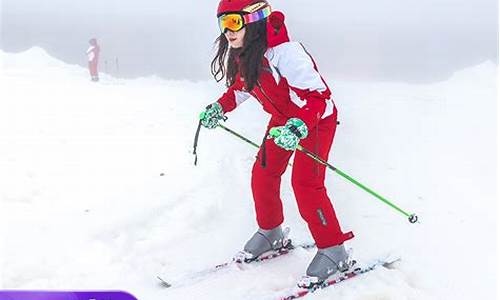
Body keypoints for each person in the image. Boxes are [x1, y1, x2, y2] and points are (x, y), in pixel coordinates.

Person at [199, 0, 354, 287]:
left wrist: (299, 125)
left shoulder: (287, 54)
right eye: (223, 24)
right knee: (263, 174)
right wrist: (220, 107)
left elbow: (320, 97)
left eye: (234, 22)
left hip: (315, 120)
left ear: (255, 20)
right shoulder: (246, 54)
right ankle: (271, 232)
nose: (228, 32)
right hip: (284, 119)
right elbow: (242, 87)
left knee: (306, 184)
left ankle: (334, 249)